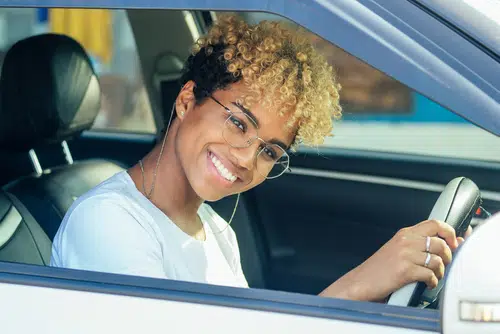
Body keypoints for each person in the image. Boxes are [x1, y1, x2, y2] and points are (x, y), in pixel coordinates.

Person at [50, 15, 471, 302]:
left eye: (270, 150)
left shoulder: (216, 233)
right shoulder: (108, 223)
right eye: (238, 123)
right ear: (185, 101)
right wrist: (359, 285)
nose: (248, 158)